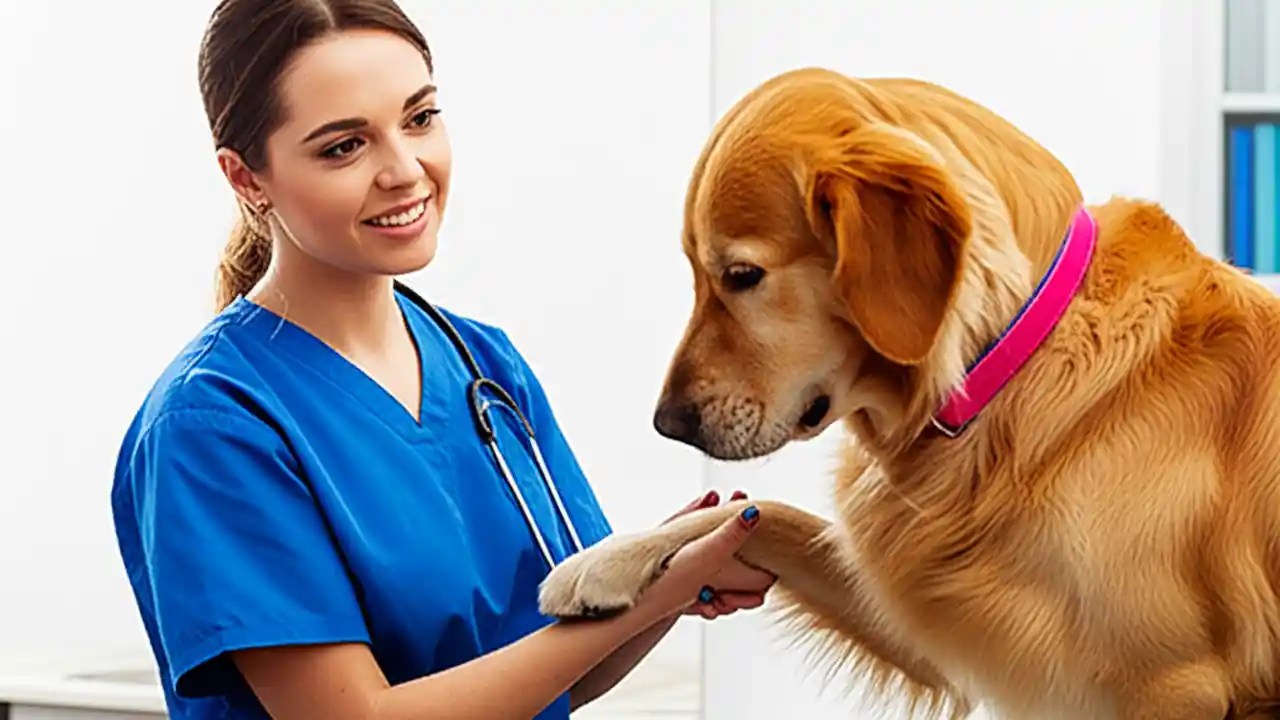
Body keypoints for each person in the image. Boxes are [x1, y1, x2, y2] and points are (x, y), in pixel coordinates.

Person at [109, 0, 775, 718]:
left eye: (420, 118)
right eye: (344, 147)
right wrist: (669, 586)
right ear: (246, 179)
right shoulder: (212, 424)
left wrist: (665, 575)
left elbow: (563, 668)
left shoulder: (485, 364)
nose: (405, 170)